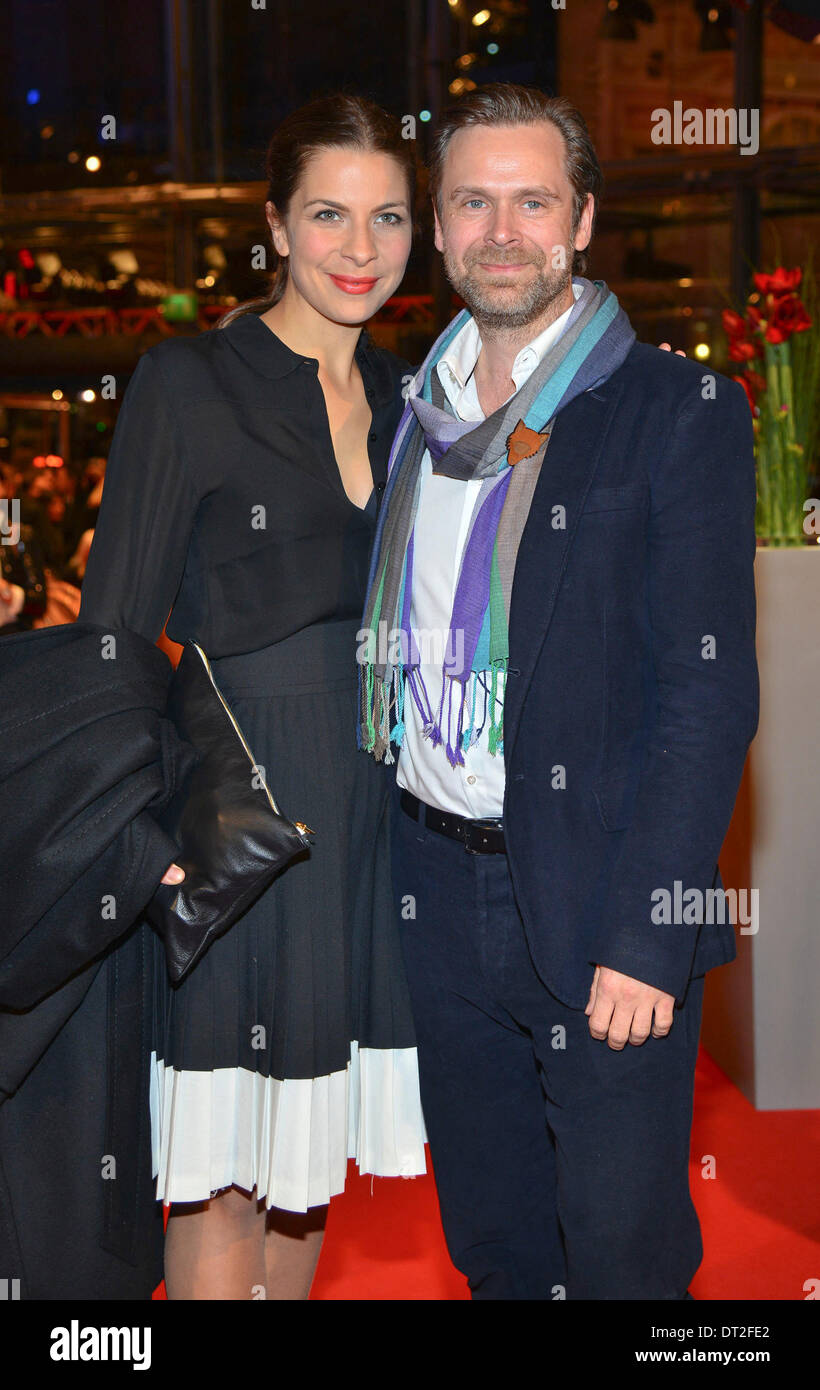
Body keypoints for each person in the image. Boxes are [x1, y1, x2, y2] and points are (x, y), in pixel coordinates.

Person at [18, 92, 426, 1301]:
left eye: (387, 217)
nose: (360, 249)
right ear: (276, 224)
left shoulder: (412, 397)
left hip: (369, 824)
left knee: (308, 1169)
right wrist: (140, 846)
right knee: (224, 1179)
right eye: (328, 215)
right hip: (236, 825)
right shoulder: (187, 382)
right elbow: (107, 639)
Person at [358, 84, 759, 1300]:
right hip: (433, 883)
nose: (502, 229)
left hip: (600, 902)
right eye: (473, 201)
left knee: (623, 1254)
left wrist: (650, 933)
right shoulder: (407, 415)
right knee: (494, 1243)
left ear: (582, 221)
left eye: (533, 201)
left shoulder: (673, 411)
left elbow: (706, 701)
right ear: (438, 225)